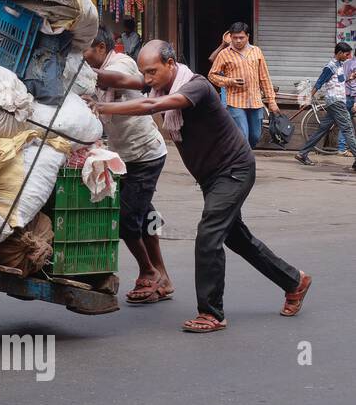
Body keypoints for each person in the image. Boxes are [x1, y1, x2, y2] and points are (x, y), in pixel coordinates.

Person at [89, 41, 310, 333]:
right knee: (236, 238)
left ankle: (211, 313)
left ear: (171, 64)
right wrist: (89, 77)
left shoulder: (196, 86)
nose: (148, 79)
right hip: (211, 177)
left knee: (208, 235)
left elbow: (150, 106)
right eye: (145, 73)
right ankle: (295, 281)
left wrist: (102, 106)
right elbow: (130, 82)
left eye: (153, 71)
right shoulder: (158, 84)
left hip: (233, 170)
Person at [84, 32, 172, 304]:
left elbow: (119, 80)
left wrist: (79, 69)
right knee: (145, 215)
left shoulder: (119, 63)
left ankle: (148, 272)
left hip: (146, 153)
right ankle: (163, 276)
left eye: (85, 50)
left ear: (101, 47)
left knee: (125, 219)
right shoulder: (95, 69)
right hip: (126, 156)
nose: (82, 56)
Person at [207, 22, 279, 149]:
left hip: (255, 101)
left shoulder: (256, 51)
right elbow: (212, 75)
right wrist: (229, 81)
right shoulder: (224, 54)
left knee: (255, 136)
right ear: (230, 37)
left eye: (241, 37)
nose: (238, 41)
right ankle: (243, 162)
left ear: (248, 37)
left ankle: (243, 155)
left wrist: (271, 100)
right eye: (235, 38)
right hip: (235, 102)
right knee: (243, 135)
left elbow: (264, 77)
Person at [295, 42, 356, 169]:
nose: (349, 56)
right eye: (346, 54)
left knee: (322, 129)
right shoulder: (330, 66)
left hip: (335, 102)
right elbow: (320, 82)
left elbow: (338, 82)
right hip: (336, 102)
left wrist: (350, 77)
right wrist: (309, 97)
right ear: (339, 53)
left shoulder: (339, 65)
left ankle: (302, 153)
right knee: (348, 129)